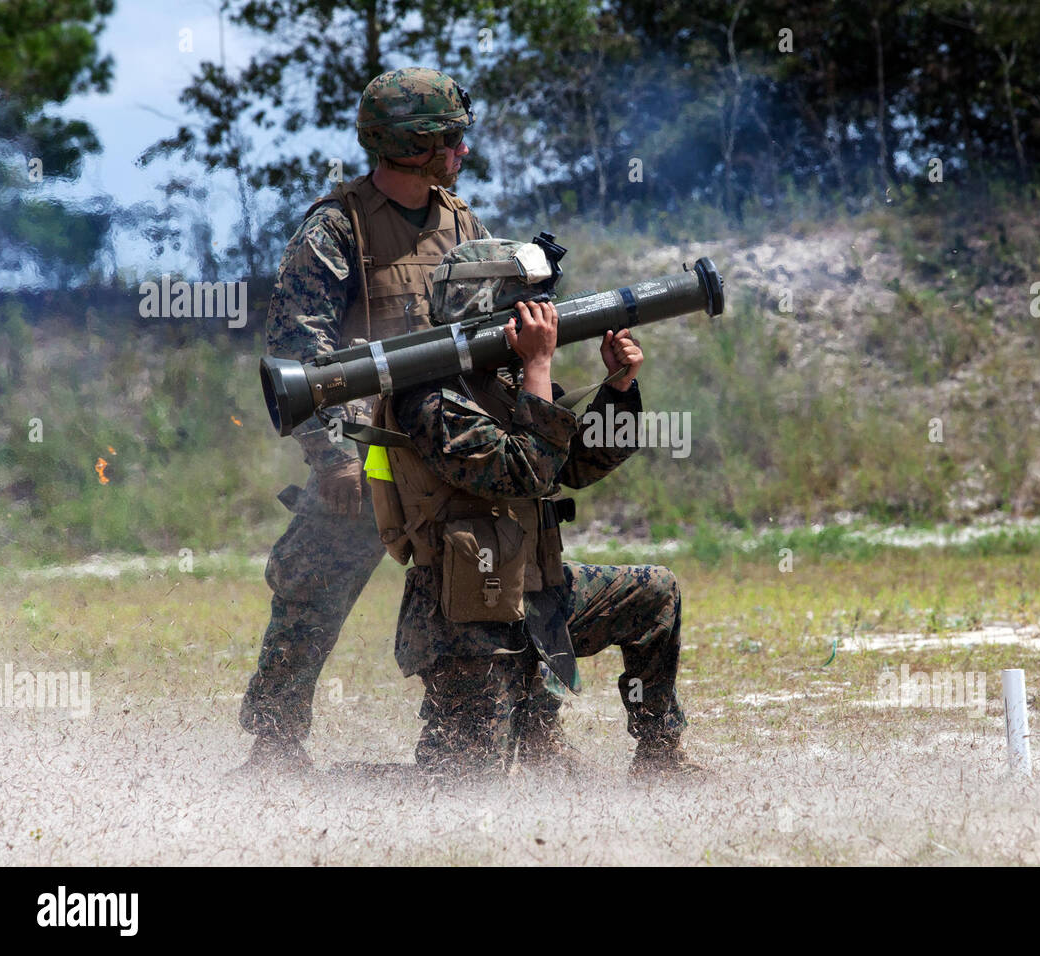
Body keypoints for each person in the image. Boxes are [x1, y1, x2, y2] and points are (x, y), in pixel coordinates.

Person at [237, 67, 491, 772]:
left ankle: (521, 734)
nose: (460, 151)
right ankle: (275, 747)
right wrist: (336, 456)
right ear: (414, 144)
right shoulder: (336, 226)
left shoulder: (463, 222)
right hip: (369, 451)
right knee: (311, 585)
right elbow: (298, 349)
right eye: (449, 138)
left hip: (447, 442)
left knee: (500, 582)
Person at [373, 239, 699, 777]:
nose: (544, 315)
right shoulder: (429, 399)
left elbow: (576, 467)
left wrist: (619, 389)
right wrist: (540, 367)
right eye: (527, 302)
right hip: (465, 621)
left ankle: (660, 757)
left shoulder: (505, 383)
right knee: (465, 785)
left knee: (654, 594)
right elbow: (524, 470)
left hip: (536, 596)